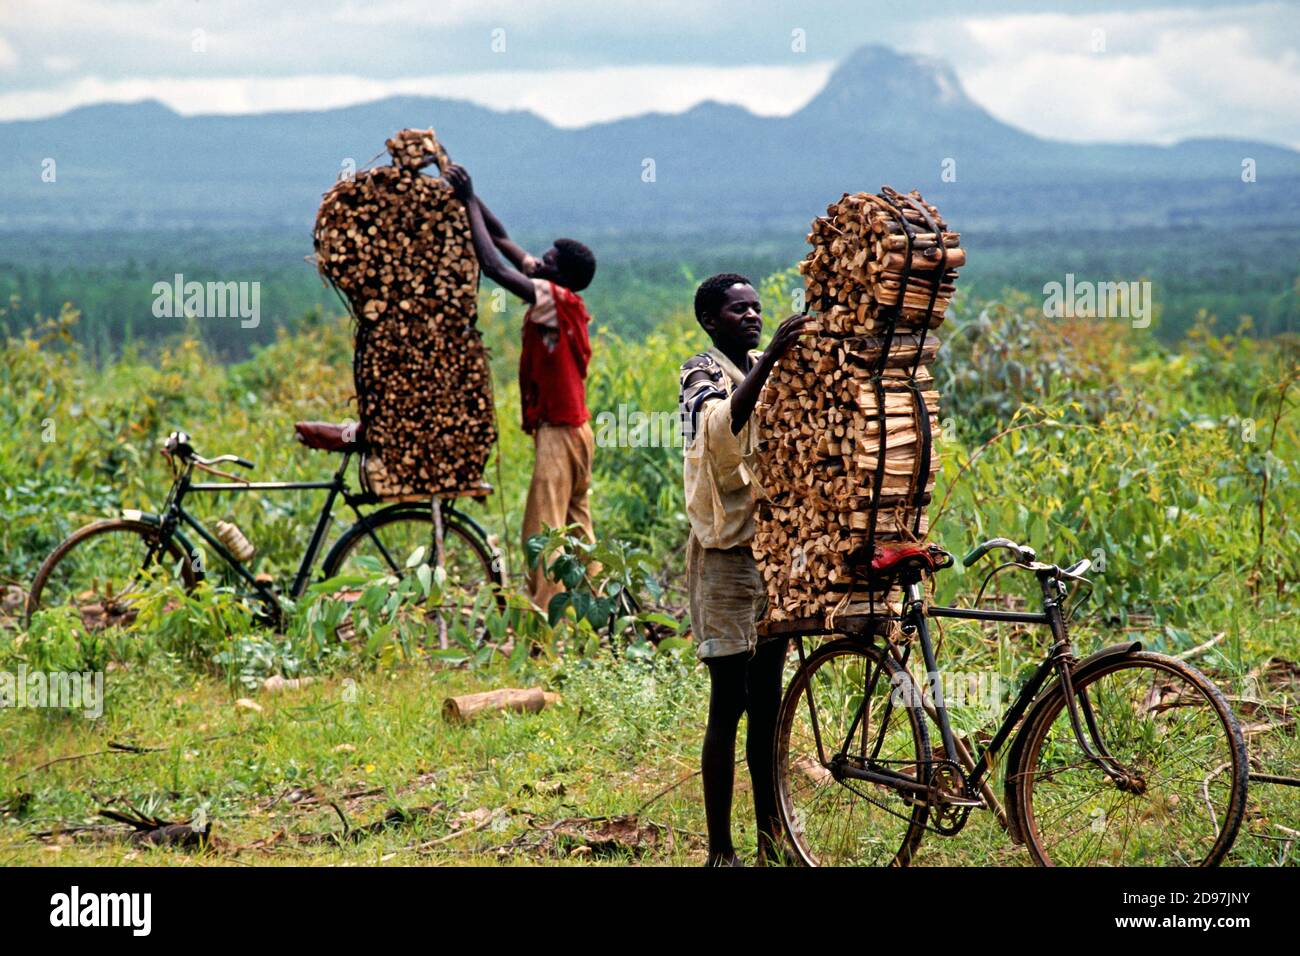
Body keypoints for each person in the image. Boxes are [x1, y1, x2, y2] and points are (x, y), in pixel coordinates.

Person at [679, 272, 809, 866]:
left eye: (756, 308)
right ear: (711, 321)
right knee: (727, 703)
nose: (752, 316)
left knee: (767, 705)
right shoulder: (699, 373)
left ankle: (770, 842)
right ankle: (719, 851)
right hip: (723, 556)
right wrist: (774, 356)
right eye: (738, 310)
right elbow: (719, 427)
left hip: (769, 556)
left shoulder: (761, 361)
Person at [445, 163, 598, 613]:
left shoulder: (556, 299)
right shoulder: (557, 290)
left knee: (543, 531)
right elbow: (503, 237)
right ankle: (595, 611)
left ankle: (543, 619)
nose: (537, 262)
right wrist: (468, 195)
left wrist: (468, 199)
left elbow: (493, 264)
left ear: (562, 275)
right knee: (576, 530)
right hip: (576, 432)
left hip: (560, 432)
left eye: (547, 262)